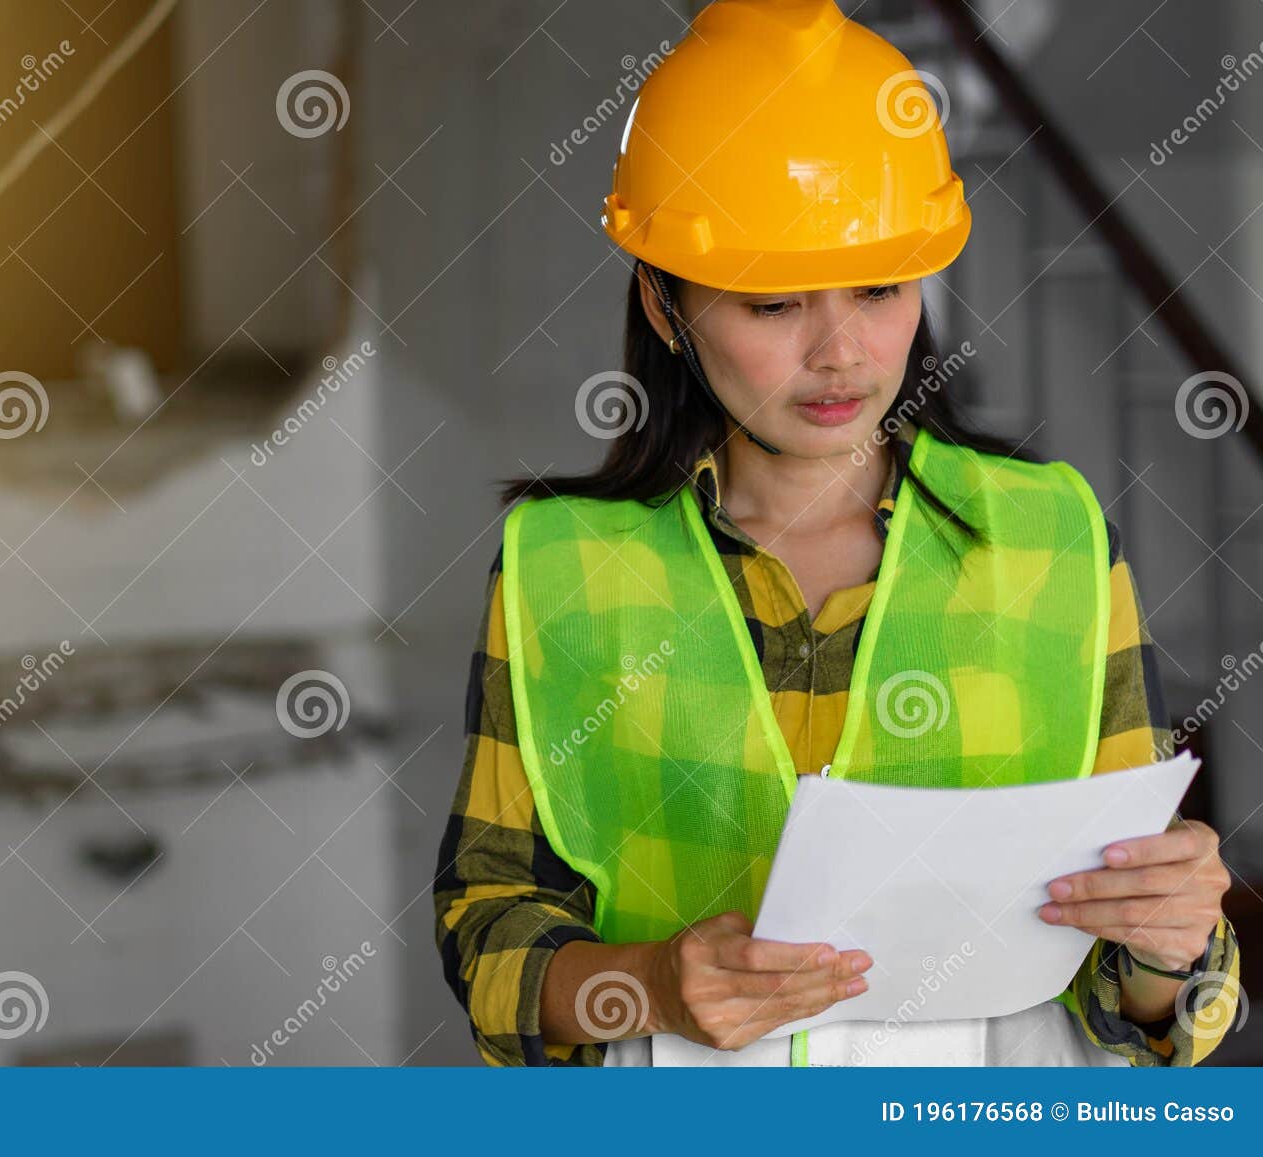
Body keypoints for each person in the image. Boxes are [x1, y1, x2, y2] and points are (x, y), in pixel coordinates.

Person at [432, 0, 1240, 1067]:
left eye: (878, 287)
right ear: (667, 306)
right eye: (772, 305)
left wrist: (1169, 944)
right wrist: (650, 986)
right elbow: (486, 925)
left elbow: (1158, 1002)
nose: (842, 355)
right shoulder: (563, 565)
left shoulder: (1049, 538)